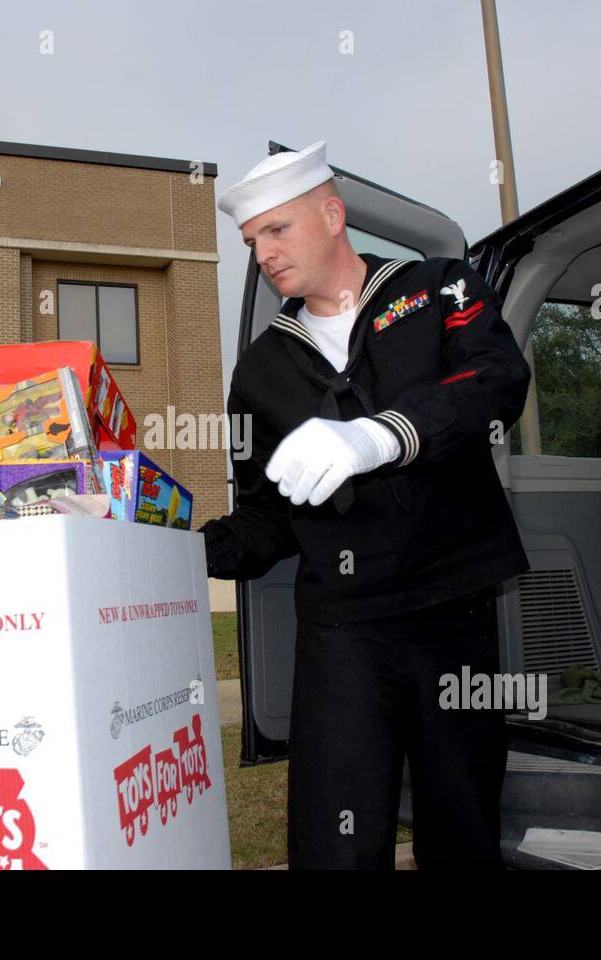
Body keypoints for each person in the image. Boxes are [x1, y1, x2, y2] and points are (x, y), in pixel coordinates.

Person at [201, 141, 532, 869]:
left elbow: (497, 379)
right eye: (251, 241)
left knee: (463, 829)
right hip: (344, 629)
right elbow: (266, 517)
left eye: (277, 230)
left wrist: (385, 435)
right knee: (334, 842)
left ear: (331, 213)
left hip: (453, 607)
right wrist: (180, 552)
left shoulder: (437, 288)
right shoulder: (261, 370)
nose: (263, 253)